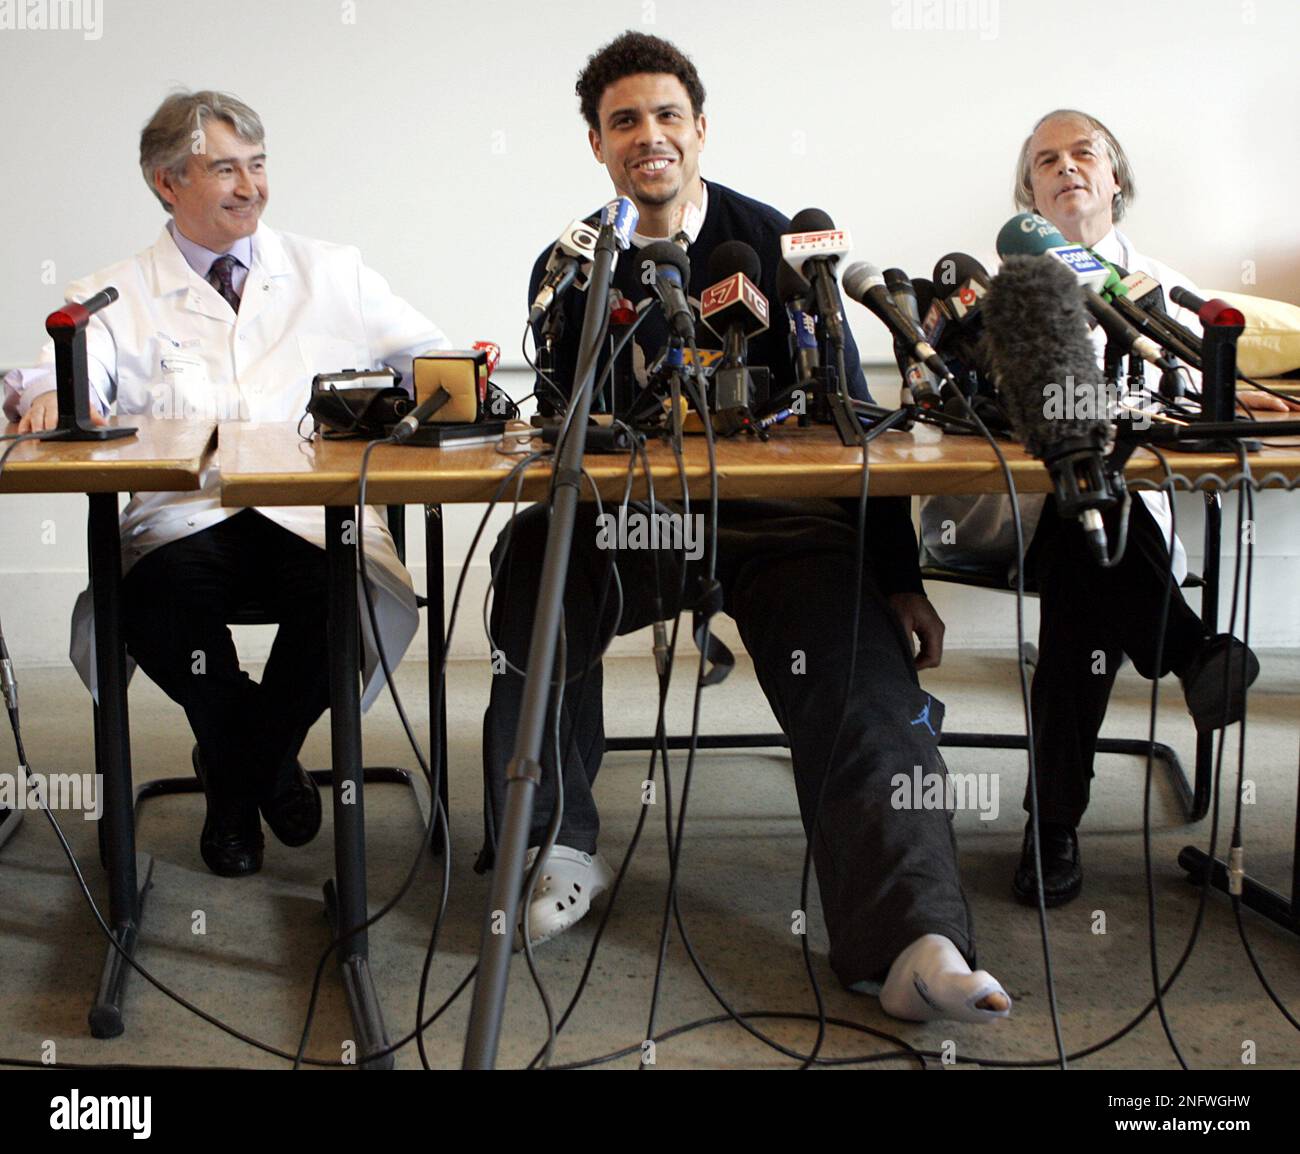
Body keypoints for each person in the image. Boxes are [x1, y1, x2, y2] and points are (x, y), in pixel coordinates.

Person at [484, 32, 1009, 1023]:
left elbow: (859, 419)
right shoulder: (575, 261)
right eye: (624, 121)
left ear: (700, 129)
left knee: (862, 684)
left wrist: (898, 574)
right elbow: (556, 413)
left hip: (781, 528)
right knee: (530, 570)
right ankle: (551, 847)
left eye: (667, 116)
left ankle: (913, 938)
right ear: (597, 145)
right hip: (633, 523)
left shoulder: (767, 239)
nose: (650, 136)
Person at [3, 90, 449, 876]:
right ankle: (268, 764)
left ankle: (234, 780)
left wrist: (441, 390)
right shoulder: (118, 289)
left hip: (314, 517)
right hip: (185, 520)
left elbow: (434, 358)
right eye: (224, 170)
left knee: (340, 601)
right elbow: (67, 371)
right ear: (166, 182)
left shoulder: (330, 270)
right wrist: (49, 392)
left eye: (258, 165)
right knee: (156, 600)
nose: (250, 186)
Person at [922, 109, 1259, 907]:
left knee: (1090, 554)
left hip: (1113, 534)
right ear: (1029, 193)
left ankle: (1053, 828)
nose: (1067, 166)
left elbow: (1202, 409)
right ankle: (1189, 649)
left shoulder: (1166, 296)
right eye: (1047, 160)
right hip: (1009, 522)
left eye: (1085, 154)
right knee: (1086, 521)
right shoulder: (989, 297)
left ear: (1116, 180)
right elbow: (943, 414)